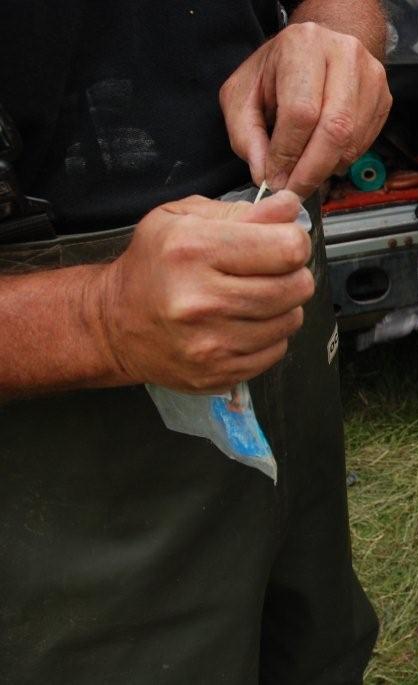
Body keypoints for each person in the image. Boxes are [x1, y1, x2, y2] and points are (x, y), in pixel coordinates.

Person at [0, 1, 391, 682]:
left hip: (281, 281)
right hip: (60, 408)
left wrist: (333, 38)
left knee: (319, 649)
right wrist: (100, 316)